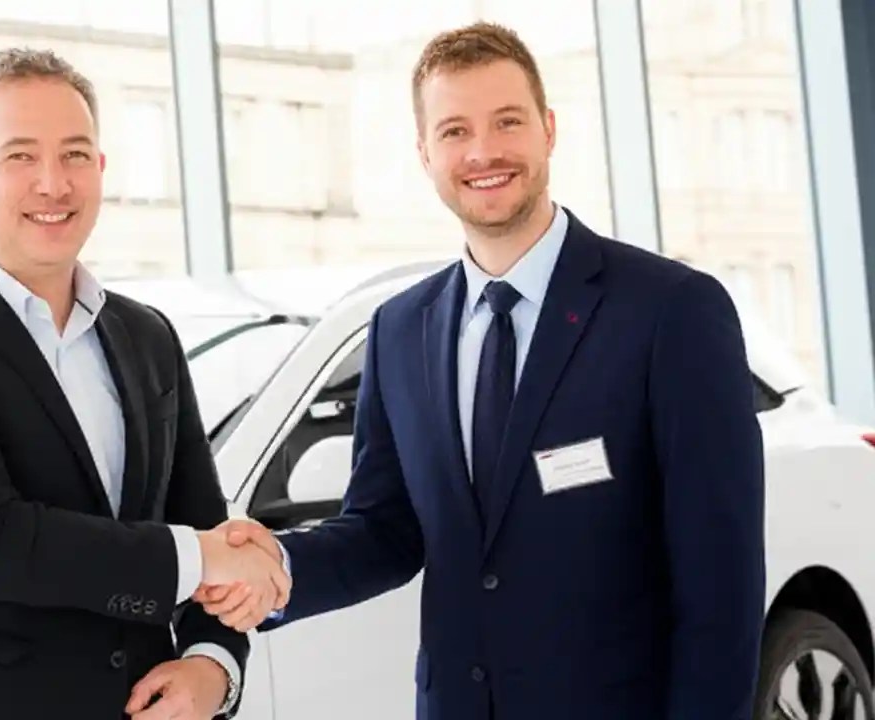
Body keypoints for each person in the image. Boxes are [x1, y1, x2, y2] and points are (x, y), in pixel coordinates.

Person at [197, 21, 766, 720]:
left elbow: (723, 584)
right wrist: (279, 569)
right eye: (455, 131)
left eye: (507, 122)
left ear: (549, 129)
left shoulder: (669, 311)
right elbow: (387, 529)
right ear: (425, 153)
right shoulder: (400, 329)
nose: (484, 152)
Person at [0, 48, 288, 720]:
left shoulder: (147, 337)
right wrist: (205, 558)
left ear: (101, 169)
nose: (53, 183)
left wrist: (212, 666)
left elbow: (204, 524)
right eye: (20, 156)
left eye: (76, 155)